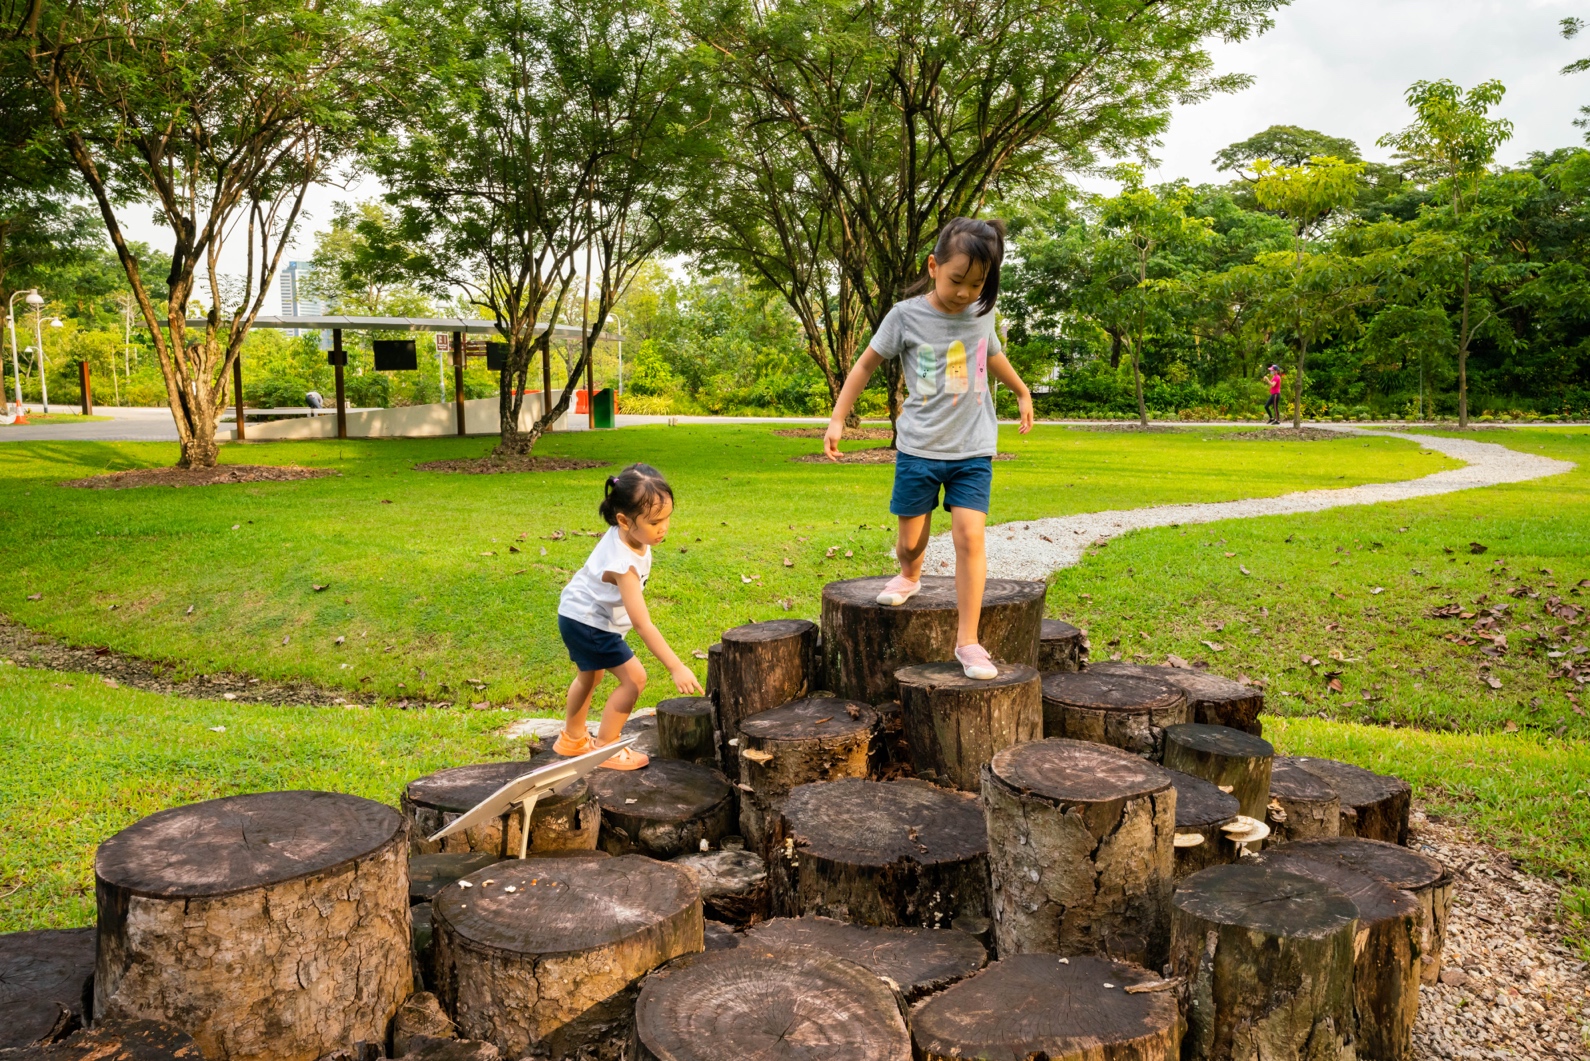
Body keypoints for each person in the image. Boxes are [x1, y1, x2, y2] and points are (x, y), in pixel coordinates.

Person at [823, 217, 1034, 680]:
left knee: (969, 537)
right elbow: (864, 365)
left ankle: (968, 641)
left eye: (977, 283)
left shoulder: (983, 312)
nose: (965, 292)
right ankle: (910, 575)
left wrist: (1021, 391)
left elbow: (992, 354)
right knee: (909, 543)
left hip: (973, 449)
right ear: (933, 266)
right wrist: (839, 417)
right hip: (919, 448)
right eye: (958, 279)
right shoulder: (905, 315)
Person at [554, 463, 702, 769]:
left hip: (575, 613)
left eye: (668, 518)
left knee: (590, 675)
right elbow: (642, 623)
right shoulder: (624, 563)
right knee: (635, 679)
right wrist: (676, 666)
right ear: (623, 520)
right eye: (655, 521)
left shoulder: (630, 534)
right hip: (588, 622)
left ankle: (573, 738)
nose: (664, 527)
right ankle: (605, 748)